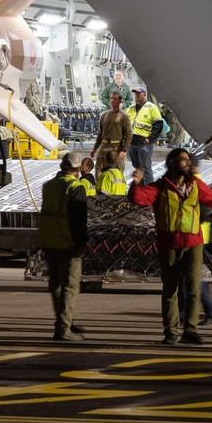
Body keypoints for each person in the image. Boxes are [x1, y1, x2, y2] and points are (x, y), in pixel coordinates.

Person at [130, 147, 212, 346]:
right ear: (173, 163)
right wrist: (135, 184)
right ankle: (170, 331)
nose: (188, 163)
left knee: (194, 288)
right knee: (171, 290)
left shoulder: (195, 185)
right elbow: (138, 198)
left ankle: (190, 330)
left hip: (193, 244)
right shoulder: (161, 187)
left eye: (188, 160)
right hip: (169, 244)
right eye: (184, 160)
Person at [36, 152, 91, 341]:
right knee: (70, 286)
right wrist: (81, 243)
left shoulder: (49, 186)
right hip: (68, 242)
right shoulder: (76, 187)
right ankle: (63, 329)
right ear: (77, 169)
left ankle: (63, 321)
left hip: (50, 240)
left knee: (56, 285)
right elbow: (78, 220)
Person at [126, 87, 166, 182]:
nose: (136, 96)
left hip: (144, 143)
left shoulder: (151, 107)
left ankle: (149, 188)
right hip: (132, 142)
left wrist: (150, 138)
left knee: (145, 167)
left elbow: (159, 124)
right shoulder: (131, 108)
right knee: (137, 167)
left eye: (138, 94)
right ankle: (141, 187)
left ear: (144, 94)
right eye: (135, 94)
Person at [90, 91, 131, 173]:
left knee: (117, 173)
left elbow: (128, 134)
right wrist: (95, 149)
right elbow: (100, 134)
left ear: (120, 101)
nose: (113, 100)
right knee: (99, 172)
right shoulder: (104, 115)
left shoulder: (124, 116)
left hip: (116, 149)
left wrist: (124, 150)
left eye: (115, 98)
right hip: (104, 147)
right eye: (111, 98)